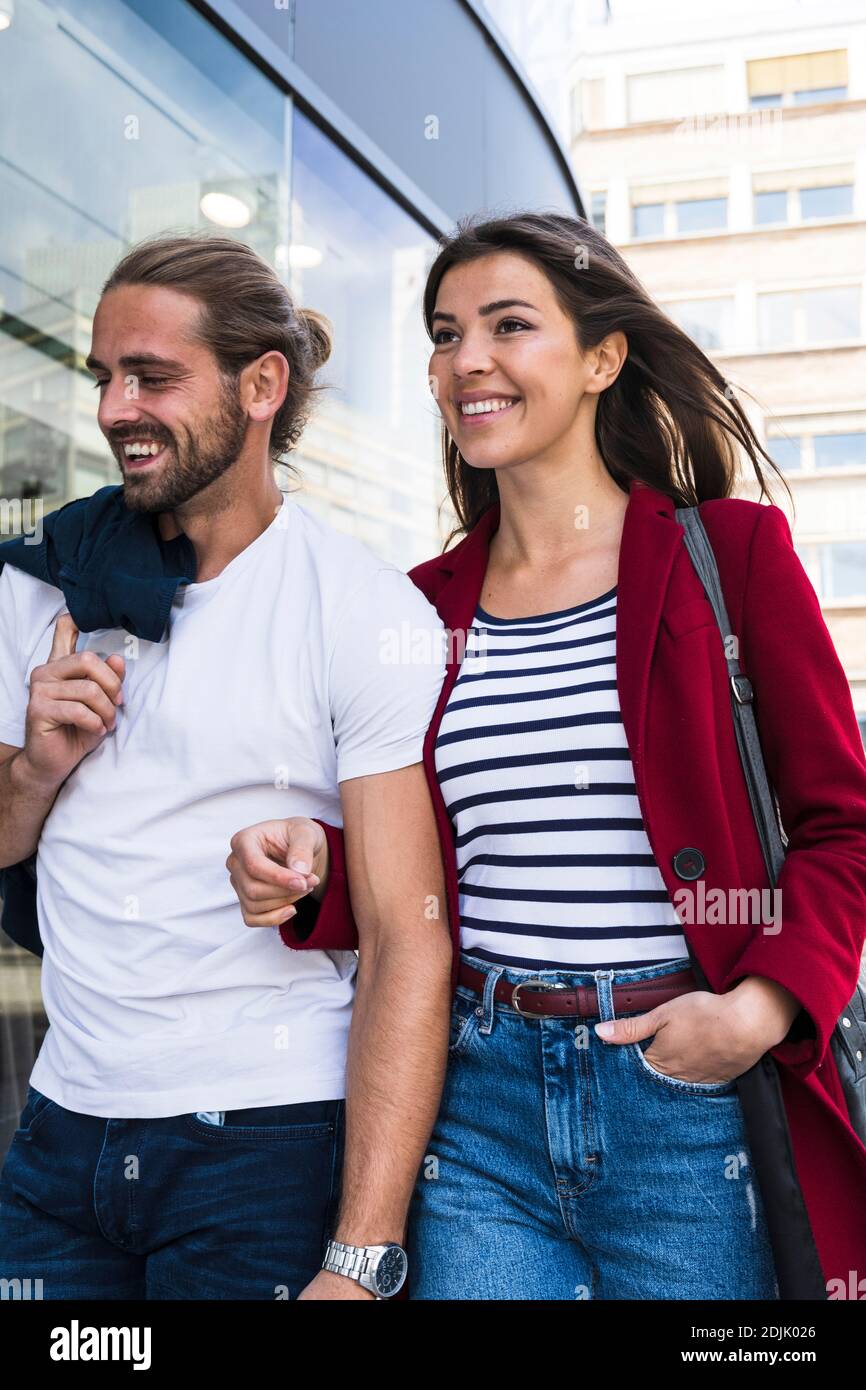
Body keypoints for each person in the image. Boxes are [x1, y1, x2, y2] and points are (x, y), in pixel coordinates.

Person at [242, 211, 866, 1299]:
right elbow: (424, 874)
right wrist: (312, 870)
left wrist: (759, 1008)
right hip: (477, 1104)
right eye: (443, 333)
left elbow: (839, 826)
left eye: (507, 325)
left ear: (600, 358)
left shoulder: (729, 555)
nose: (463, 360)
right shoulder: (417, 608)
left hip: (683, 1100)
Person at [0, 234, 451, 1301]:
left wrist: (360, 1253)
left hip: (263, 1143)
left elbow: (406, 936)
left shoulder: (361, 608)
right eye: (104, 377)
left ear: (260, 385)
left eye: (151, 376)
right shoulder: (40, 589)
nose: (114, 408)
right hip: (60, 1134)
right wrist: (36, 770)